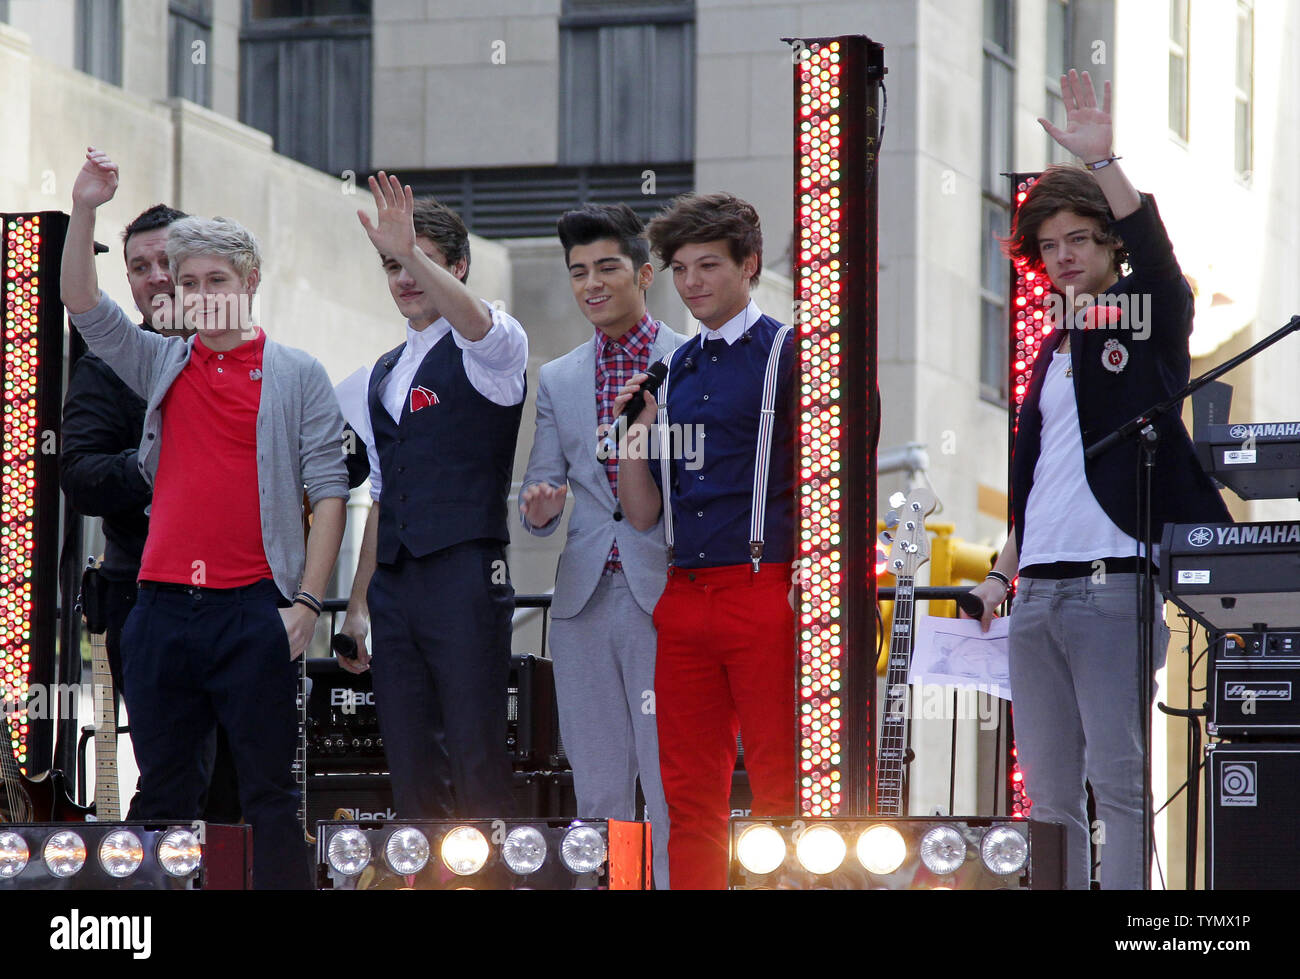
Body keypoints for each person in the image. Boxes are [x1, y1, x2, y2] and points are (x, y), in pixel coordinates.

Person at [965, 71, 1230, 889]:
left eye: (1078, 238)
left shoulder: (1147, 312)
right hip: (1036, 592)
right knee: (1047, 794)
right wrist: (1001, 572)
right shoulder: (1047, 350)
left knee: (1117, 779)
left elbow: (1156, 252)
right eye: (1048, 246)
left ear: (1109, 245)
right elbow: (1041, 483)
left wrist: (1105, 158)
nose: (1062, 257)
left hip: (1113, 585)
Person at [61, 147, 348, 889]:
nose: (198, 293)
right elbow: (85, 307)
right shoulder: (163, 361)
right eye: (187, 283)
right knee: (162, 795)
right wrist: (86, 208)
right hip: (157, 608)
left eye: (215, 280)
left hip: (253, 609)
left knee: (269, 797)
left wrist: (307, 607)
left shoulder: (296, 374)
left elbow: (330, 494)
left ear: (249, 283)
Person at [615, 192, 796, 889]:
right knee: (686, 795)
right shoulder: (675, 369)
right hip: (682, 598)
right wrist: (632, 433)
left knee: (782, 788)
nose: (692, 282)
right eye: (681, 268)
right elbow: (641, 513)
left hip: (764, 586)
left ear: (749, 265)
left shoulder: (790, 352)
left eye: (709, 266)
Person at [337, 174, 528, 820]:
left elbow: (476, 324)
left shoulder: (494, 346)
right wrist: (358, 607)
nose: (403, 278)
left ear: (460, 266)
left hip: (464, 575)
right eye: (392, 264)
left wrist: (409, 247)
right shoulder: (379, 374)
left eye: (418, 261)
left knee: (477, 758)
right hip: (395, 587)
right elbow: (382, 497)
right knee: (411, 765)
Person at [519, 204, 685, 888]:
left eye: (607, 267)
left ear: (644, 273)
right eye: (578, 271)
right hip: (584, 596)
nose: (591, 283)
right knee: (598, 789)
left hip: (668, 591)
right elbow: (538, 491)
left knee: (671, 781)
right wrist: (539, 509)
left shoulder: (687, 360)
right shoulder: (557, 377)